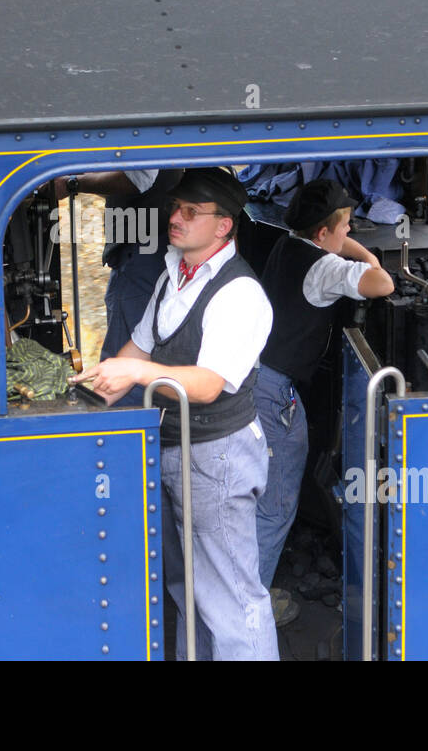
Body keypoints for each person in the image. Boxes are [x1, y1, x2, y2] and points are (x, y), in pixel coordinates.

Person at [70, 167, 277, 660]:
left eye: (190, 211)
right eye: (175, 208)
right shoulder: (171, 276)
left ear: (223, 225)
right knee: (189, 587)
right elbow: (138, 348)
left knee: (232, 597)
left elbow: (207, 385)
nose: (175, 218)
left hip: (219, 456)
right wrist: (86, 393)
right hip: (176, 447)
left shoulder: (239, 293)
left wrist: (135, 377)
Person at [255, 178, 395, 625]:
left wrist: (337, 234)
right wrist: (365, 253)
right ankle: (249, 608)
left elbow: (325, 242)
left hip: (252, 379)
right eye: (346, 226)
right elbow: (383, 284)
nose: (350, 234)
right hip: (273, 393)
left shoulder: (284, 245)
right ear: (323, 234)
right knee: (275, 505)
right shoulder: (323, 268)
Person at [53, 170, 183, 405]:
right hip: (136, 251)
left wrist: (73, 183)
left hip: (145, 252)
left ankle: (121, 429)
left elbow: (138, 179)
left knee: (129, 366)